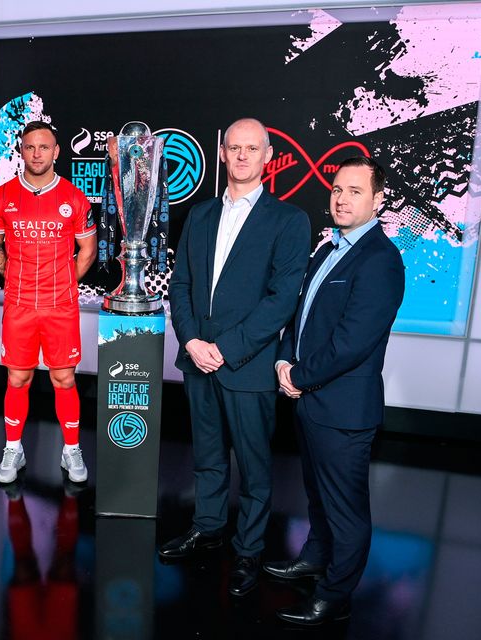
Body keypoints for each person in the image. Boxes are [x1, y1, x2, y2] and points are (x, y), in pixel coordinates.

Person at [162, 118, 311, 596]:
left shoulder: (289, 221)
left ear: (269, 156)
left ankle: (248, 551)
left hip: (245, 365)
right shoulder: (200, 215)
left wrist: (224, 350)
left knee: (254, 466)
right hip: (197, 359)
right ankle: (208, 527)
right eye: (235, 147)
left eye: (253, 148)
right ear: (222, 152)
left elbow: (281, 300)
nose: (243, 156)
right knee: (206, 457)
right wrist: (190, 342)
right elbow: (180, 284)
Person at [265, 156, 404, 625]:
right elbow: (299, 316)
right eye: (337, 190)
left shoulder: (381, 261)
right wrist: (285, 358)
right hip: (310, 400)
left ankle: (334, 595)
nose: (342, 199)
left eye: (355, 191)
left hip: (342, 409)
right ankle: (314, 559)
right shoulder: (329, 249)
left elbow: (351, 342)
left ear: (378, 200)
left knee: (346, 510)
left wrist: (298, 377)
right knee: (318, 496)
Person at [0, 120, 97, 485]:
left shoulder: (73, 197)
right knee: (18, 377)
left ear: (56, 152)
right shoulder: (2, 196)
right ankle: (13, 448)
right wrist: (14, 276)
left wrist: (61, 284)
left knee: (64, 378)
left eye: (44, 147)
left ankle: (71, 449)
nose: (37, 154)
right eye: (30, 147)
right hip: (18, 305)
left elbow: (88, 249)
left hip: (60, 305)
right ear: (22, 150)